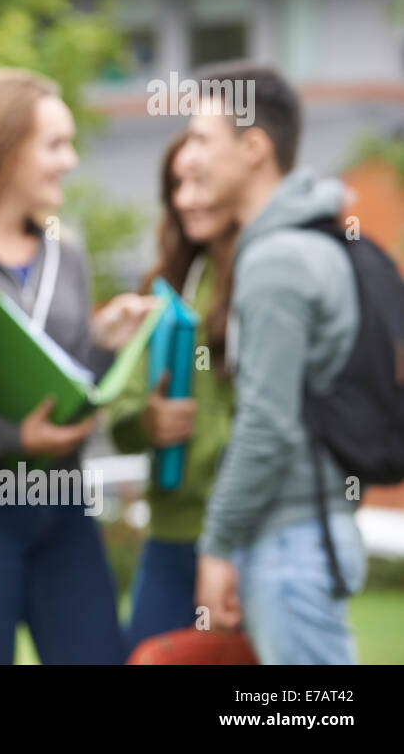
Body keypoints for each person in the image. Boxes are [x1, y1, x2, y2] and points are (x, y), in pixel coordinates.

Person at [0, 67, 157, 664]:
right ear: (4, 145)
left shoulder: (65, 254)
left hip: (61, 504)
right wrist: (12, 437)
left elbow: (66, 377)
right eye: (55, 144)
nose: (70, 160)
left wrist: (101, 341)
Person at [180, 61, 364, 664]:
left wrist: (216, 545)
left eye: (203, 138)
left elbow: (267, 425)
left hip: (291, 545)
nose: (190, 157)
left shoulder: (276, 261)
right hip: (303, 536)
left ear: (254, 147)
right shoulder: (305, 241)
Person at [106, 132, 238, 653]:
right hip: (170, 536)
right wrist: (147, 420)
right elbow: (122, 413)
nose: (185, 197)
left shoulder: (269, 280)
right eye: (176, 184)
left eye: (200, 180)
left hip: (243, 537)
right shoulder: (168, 289)